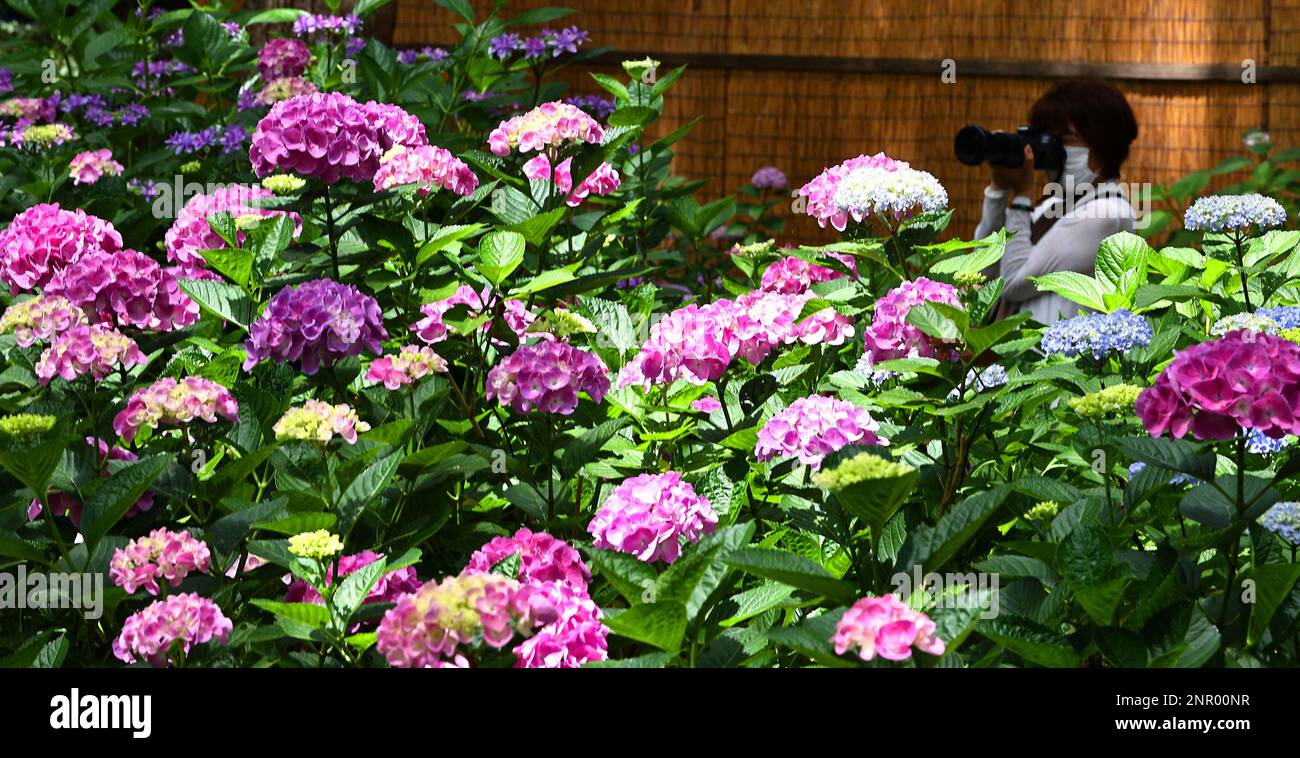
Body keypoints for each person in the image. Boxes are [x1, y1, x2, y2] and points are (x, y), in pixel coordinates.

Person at [974, 80, 1139, 324]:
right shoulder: (1051, 206)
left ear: (1103, 144)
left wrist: (1020, 197)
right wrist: (999, 189)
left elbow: (1015, 283)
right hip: (1014, 358)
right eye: (1049, 137)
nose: (1053, 148)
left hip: (1057, 360)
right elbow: (984, 271)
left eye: (1066, 139)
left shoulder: (1108, 214)